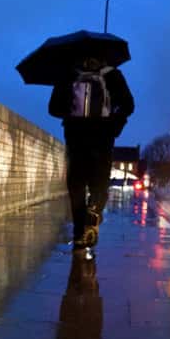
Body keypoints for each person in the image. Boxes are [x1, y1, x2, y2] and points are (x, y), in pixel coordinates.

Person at [48, 56, 134, 249]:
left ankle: (80, 230)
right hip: (103, 134)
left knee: (76, 184)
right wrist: (115, 124)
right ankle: (93, 215)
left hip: (75, 133)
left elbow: (53, 108)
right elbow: (128, 105)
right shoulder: (113, 75)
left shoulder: (68, 75)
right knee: (100, 181)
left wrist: (69, 109)